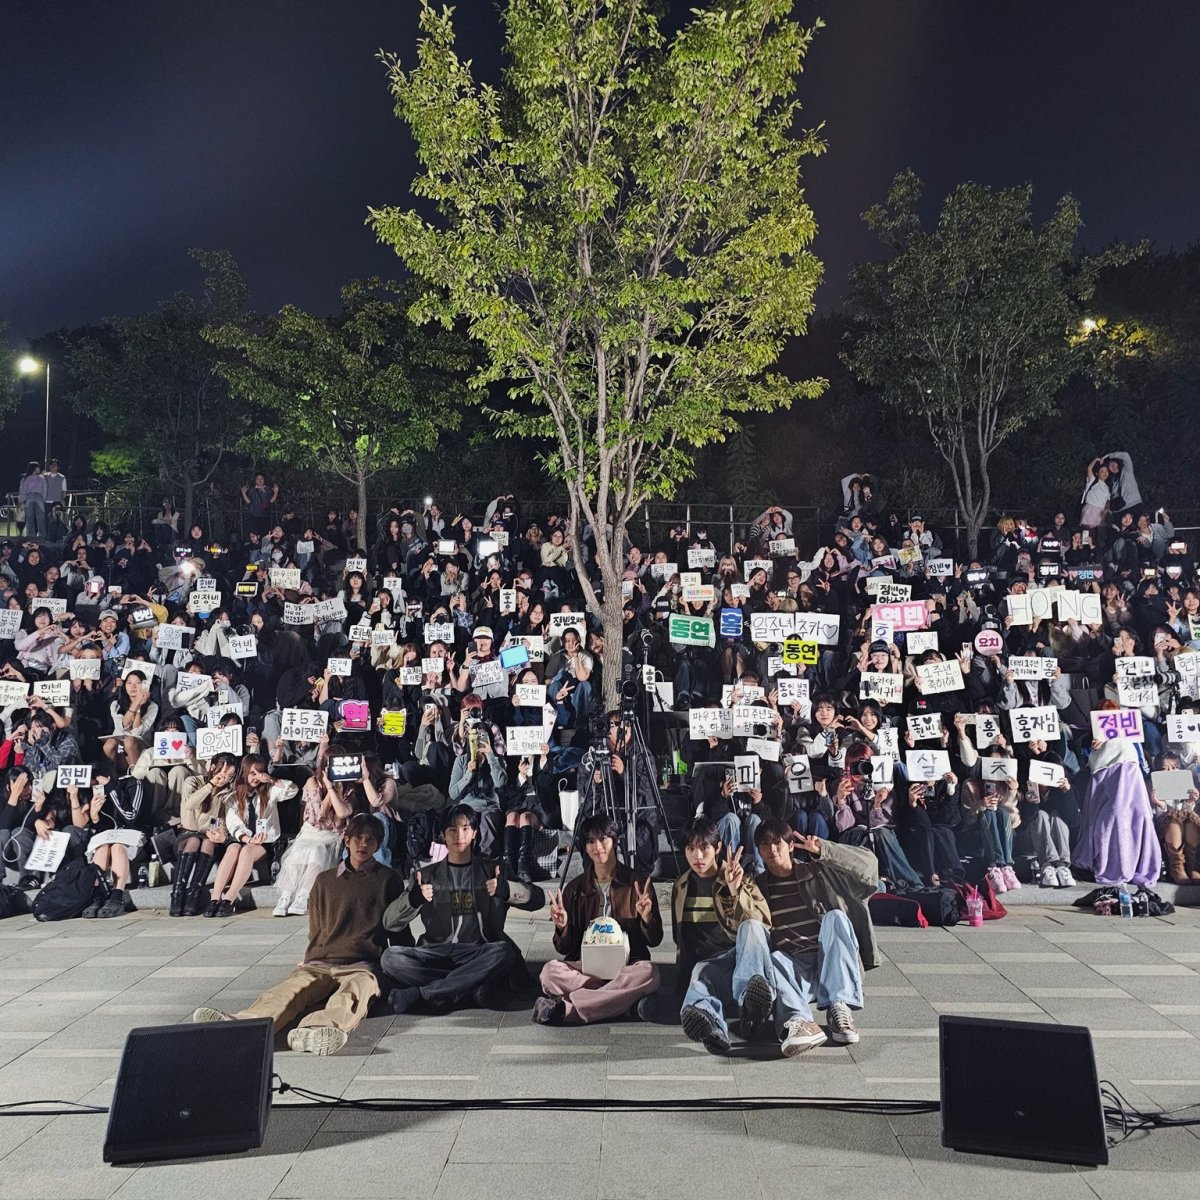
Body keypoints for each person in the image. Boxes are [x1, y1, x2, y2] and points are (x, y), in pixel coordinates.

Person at [191, 813, 403, 1055]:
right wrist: (310, 956)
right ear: (346, 840)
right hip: (321, 961)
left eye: (371, 839)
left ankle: (319, 1030)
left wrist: (398, 969)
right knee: (287, 991)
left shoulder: (388, 879)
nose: (363, 844)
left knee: (354, 993)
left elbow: (396, 925)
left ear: (378, 844)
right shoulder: (324, 880)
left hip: (364, 963)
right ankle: (243, 1025)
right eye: (358, 838)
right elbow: (317, 924)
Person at [752, 818, 878, 1055]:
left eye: (778, 842)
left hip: (830, 963)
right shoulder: (757, 886)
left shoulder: (818, 872)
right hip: (794, 970)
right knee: (775, 957)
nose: (772, 850)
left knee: (836, 919)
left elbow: (869, 868)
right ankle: (800, 1022)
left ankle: (838, 1007)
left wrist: (824, 850)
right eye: (765, 845)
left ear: (791, 845)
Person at [379, 805, 521, 1012]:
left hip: (477, 951)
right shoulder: (426, 875)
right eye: (452, 830)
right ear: (443, 835)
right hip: (435, 953)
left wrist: (507, 890)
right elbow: (389, 922)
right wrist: (413, 900)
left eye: (465, 828)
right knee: (390, 958)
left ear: (475, 833)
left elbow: (536, 899)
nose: (459, 835)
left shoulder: (494, 870)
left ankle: (425, 993)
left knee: (502, 952)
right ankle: (468, 988)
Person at [534, 814, 662, 1025]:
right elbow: (565, 948)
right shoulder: (575, 888)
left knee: (649, 973)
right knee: (549, 972)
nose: (598, 846)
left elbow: (655, 940)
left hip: (627, 964)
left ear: (614, 841)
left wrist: (646, 917)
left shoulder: (637, 884)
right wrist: (563, 926)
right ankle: (621, 1001)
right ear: (585, 848)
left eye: (603, 839)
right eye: (591, 841)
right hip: (586, 967)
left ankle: (568, 1009)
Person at [673, 818, 775, 1055]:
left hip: (742, 960)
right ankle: (712, 1029)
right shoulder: (682, 885)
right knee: (700, 972)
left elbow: (761, 924)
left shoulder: (742, 878)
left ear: (717, 848)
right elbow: (683, 940)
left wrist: (735, 891)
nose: (698, 856)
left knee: (751, 925)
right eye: (691, 849)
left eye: (705, 848)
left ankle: (750, 1000)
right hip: (712, 965)